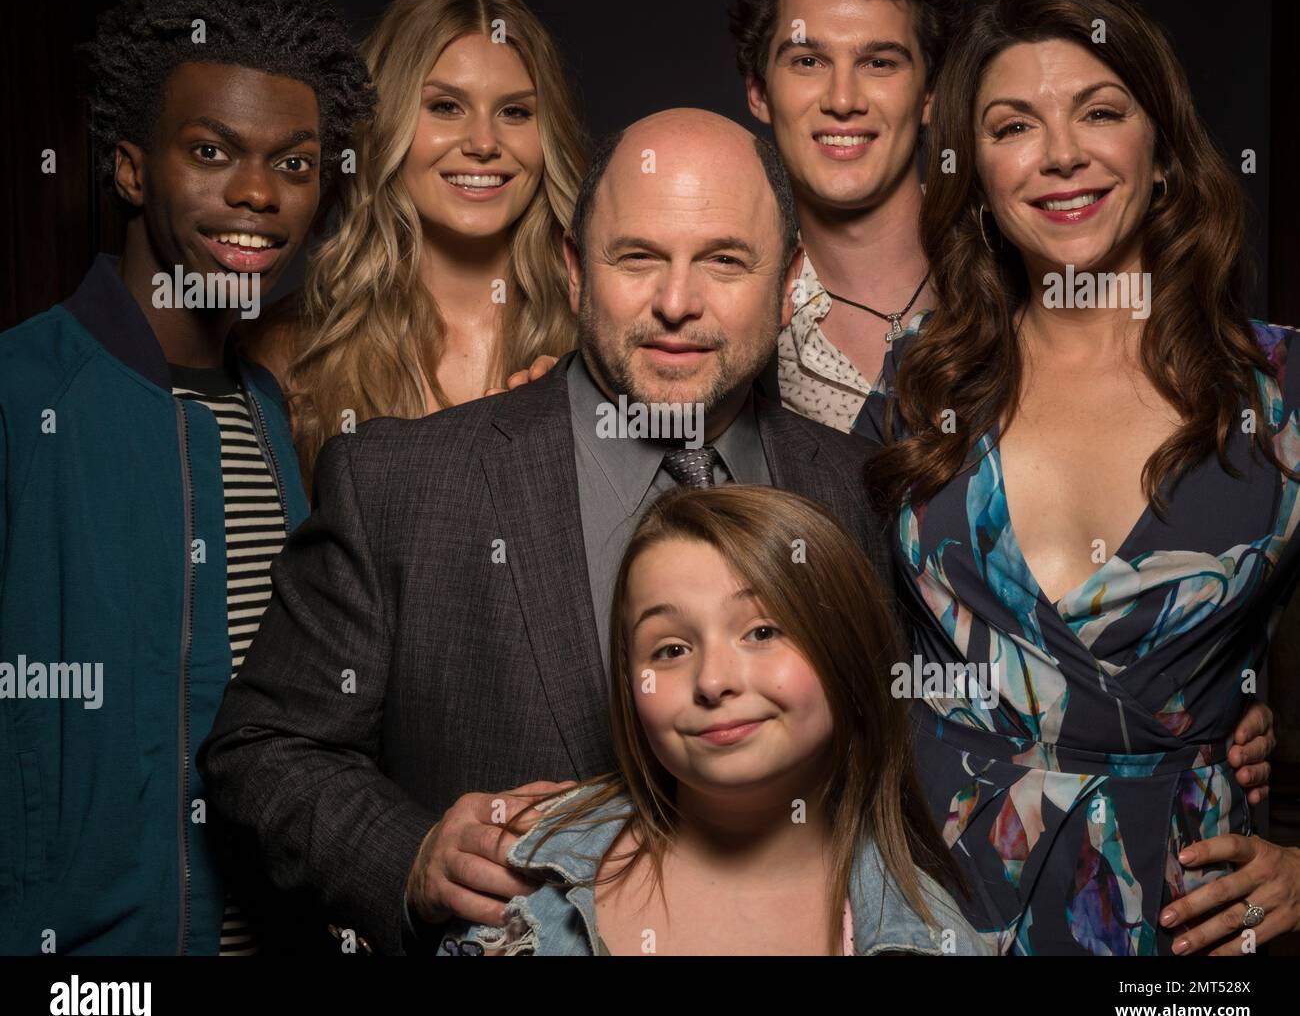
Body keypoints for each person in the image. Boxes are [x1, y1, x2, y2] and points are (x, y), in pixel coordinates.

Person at [198, 108, 899, 955]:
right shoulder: (399, 485)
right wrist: (409, 855)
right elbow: (261, 749)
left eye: (724, 260)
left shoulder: (856, 490)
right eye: (637, 257)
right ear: (573, 270)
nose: (677, 302)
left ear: (789, 281)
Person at [856, 0, 1300, 955]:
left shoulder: (1279, 395)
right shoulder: (909, 387)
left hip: (1178, 944)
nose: (1059, 155)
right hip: (926, 921)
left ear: (1162, 151)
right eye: (1013, 126)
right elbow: (829, 662)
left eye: (1099, 111)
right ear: (975, 168)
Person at [0, 0, 373, 954]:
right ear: (130, 170)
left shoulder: (269, 412)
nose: (256, 193)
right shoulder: (20, 394)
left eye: (293, 164)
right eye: (211, 152)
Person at [435, 485, 989, 956]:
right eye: (670, 649)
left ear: (846, 651)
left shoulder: (929, 936)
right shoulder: (530, 865)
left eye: (762, 632)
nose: (712, 681)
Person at [242, 0, 585, 496]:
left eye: (515, 112)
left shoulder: (602, 335)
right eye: (446, 106)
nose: (484, 143)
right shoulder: (293, 351)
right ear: (386, 122)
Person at [729, 0, 963, 430]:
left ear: (929, 94)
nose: (842, 99)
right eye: (808, 61)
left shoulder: (1011, 266)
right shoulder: (724, 308)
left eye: (878, 63)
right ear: (760, 92)